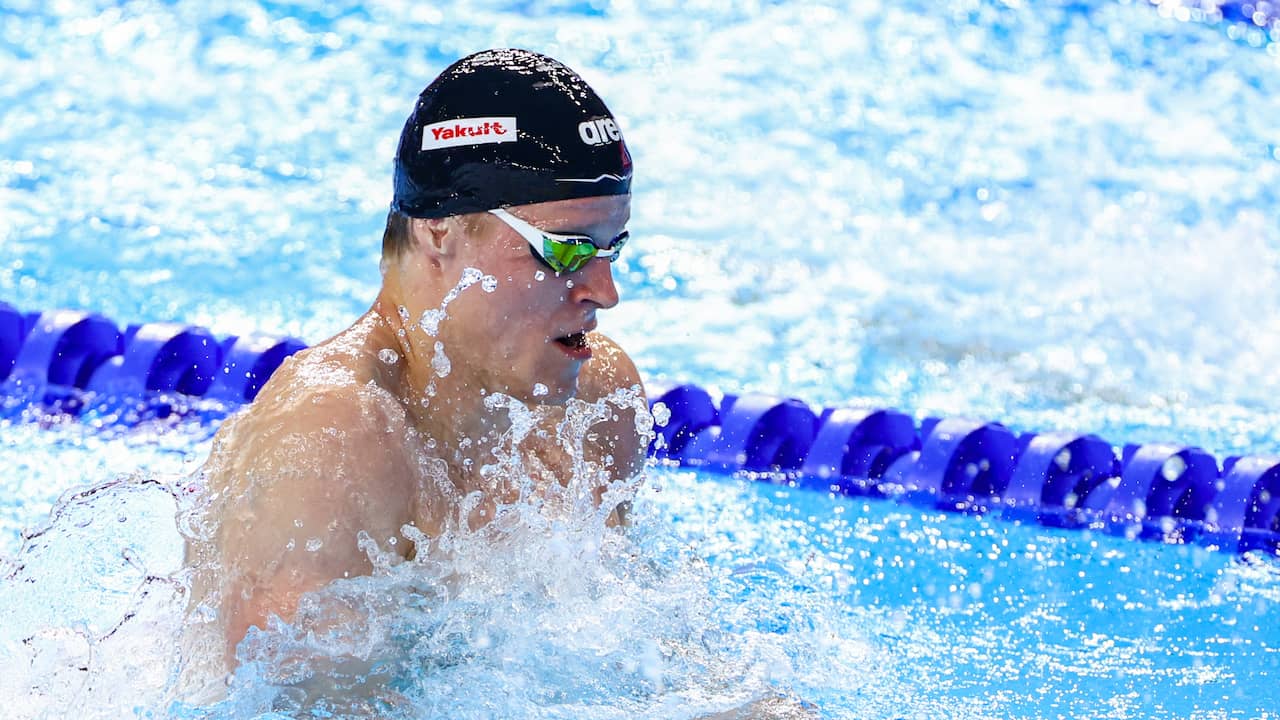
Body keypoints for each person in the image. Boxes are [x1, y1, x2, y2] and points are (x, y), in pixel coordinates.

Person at [180, 48, 646, 677]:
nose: (603, 290)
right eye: (564, 251)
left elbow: (631, 657)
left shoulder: (594, 401)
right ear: (440, 232)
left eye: (612, 247)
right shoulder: (332, 441)